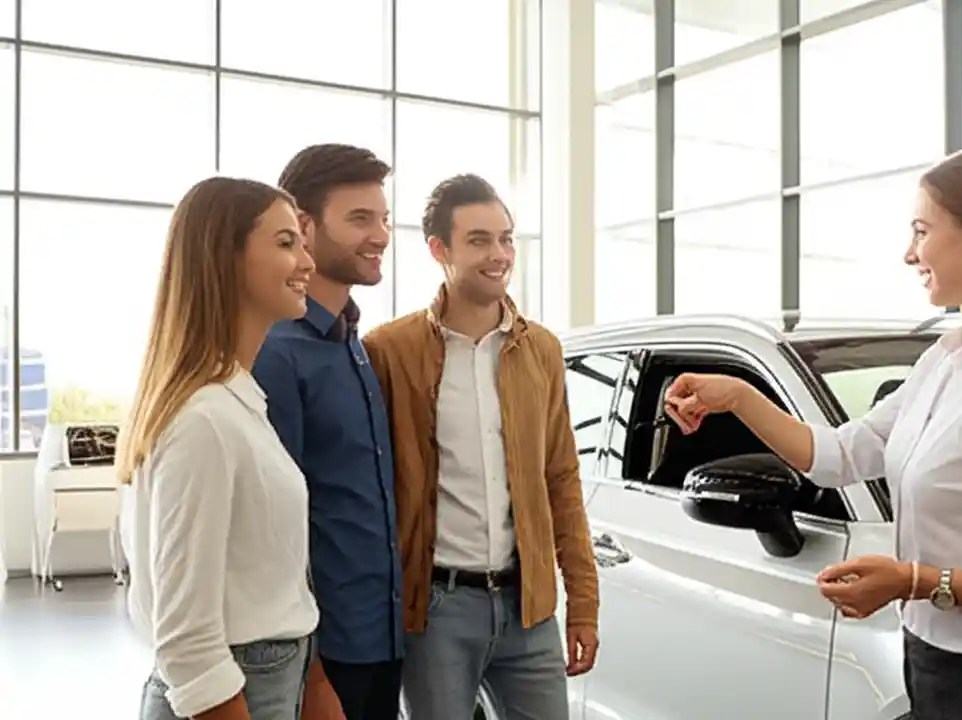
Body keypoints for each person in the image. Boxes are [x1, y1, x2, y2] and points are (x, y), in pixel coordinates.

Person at [663, 148, 962, 720]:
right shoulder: (946, 361)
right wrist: (739, 397)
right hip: (930, 664)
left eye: (922, 231)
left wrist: (914, 580)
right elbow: (839, 456)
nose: (909, 253)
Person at [361, 173, 600, 720]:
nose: (499, 254)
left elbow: (562, 479)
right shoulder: (388, 351)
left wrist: (582, 604)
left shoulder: (540, 349)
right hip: (438, 609)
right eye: (479, 240)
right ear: (438, 249)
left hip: (530, 608)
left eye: (507, 238)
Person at [117, 176, 320, 720]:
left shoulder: (236, 402)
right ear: (224, 258)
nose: (307, 262)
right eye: (285, 243)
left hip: (269, 677)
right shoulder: (204, 418)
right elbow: (187, 637)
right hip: (231, 693)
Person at [251, 144, 403, 720]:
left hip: (382, 638)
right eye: (360, 219)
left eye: (384, 218)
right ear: (305, 227)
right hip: (327, 656)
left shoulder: (355, 346)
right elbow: (276, 533)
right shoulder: (277, 353)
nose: (382, 235)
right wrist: (315, 674)